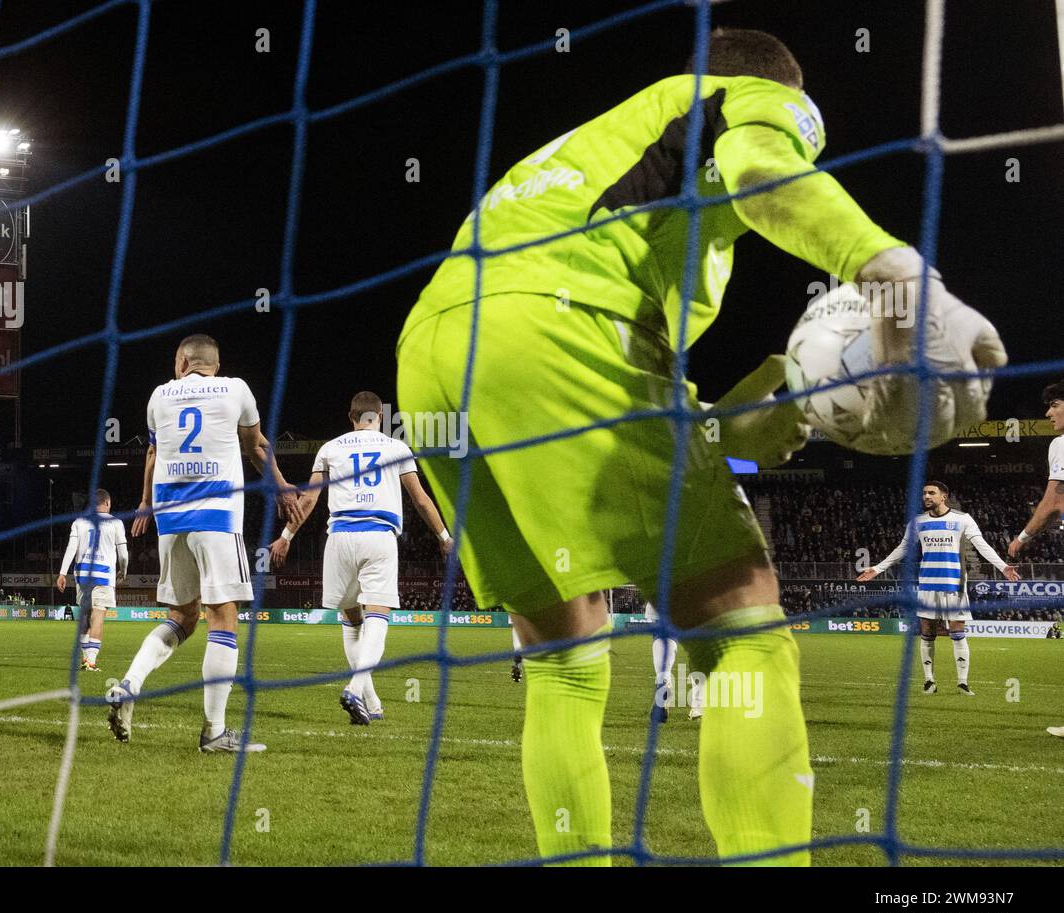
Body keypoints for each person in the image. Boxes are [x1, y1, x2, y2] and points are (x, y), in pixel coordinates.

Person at [395, 28, 1006, 865]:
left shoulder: (580, 160)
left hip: (433, 360)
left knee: (564, 664)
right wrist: (896, 274)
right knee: (742, 637)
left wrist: (748, 415)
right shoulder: (734, 98)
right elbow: (762, 175)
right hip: (560, 327)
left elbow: (596, 377)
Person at [108, 334, 301, 751]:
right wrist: (283, 488)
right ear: (215, 363)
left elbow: (153, 456)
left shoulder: (159, 397)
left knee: (183, 615)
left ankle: (129, 685)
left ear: (181, 362)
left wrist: (143, 502)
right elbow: (256, 448)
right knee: (223, 617)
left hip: (170, 517)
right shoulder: (236, 389)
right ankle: (213, 731)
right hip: (215, 515)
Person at [270, 391, 451, 724]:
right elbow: (421, 500)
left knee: (352, 622)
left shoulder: (330, 449)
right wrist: (443, 537)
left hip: (339, 539)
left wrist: (285, 537)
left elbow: (308, 501)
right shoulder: (396, 448)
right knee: (378, 618)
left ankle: (372, 700)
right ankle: (355, 689)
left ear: (350, 416)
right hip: (378, 537)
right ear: (379, 416)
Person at [858, 481, 1020, 695]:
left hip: (955, 585)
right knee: (927, 632)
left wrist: (1003, 566)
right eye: (924, 493)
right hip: (927, 586)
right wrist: (878, 569)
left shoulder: (962, 519)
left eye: (931, 493)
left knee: (958, 632)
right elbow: (903, 548)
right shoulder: (917, 522)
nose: (926, 496)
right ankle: (929, 681)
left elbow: (982, 545)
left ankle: (962, 682)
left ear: (944, 496)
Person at [1006, 382, 1064, 736]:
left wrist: (1023, 537)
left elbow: (1053, 503)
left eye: (1054, 404)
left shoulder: (1061, 443)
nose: (1048, 413)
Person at [57, 489, 128, 672]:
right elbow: (124, 554)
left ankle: (85, 660)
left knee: (86, 617)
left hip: (82, 575)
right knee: (98, 616)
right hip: (104, 575)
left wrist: (62, 573)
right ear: (107, 503)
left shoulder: (79, 522)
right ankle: (91, 661)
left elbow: (71, 548)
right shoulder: (116, 523)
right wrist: (124, 570)